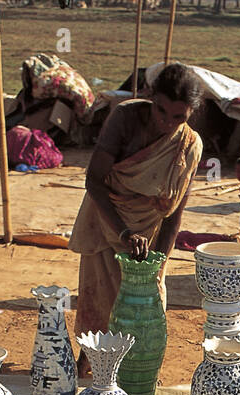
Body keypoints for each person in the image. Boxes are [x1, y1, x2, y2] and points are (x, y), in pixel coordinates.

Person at [68, 62, 203, 377]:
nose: (166, 122)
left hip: (151, 234)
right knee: (100, 301)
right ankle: (88, 365)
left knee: (147, 309)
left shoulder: (190, 146)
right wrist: (125, 232)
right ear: (150, 97)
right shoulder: (125, 118)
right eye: (160, 111)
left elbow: (174, 212)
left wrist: (159, 261)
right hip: (107, 222)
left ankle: (137, 374)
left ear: (191, 114)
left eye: (178, 117)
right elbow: (94, 181)